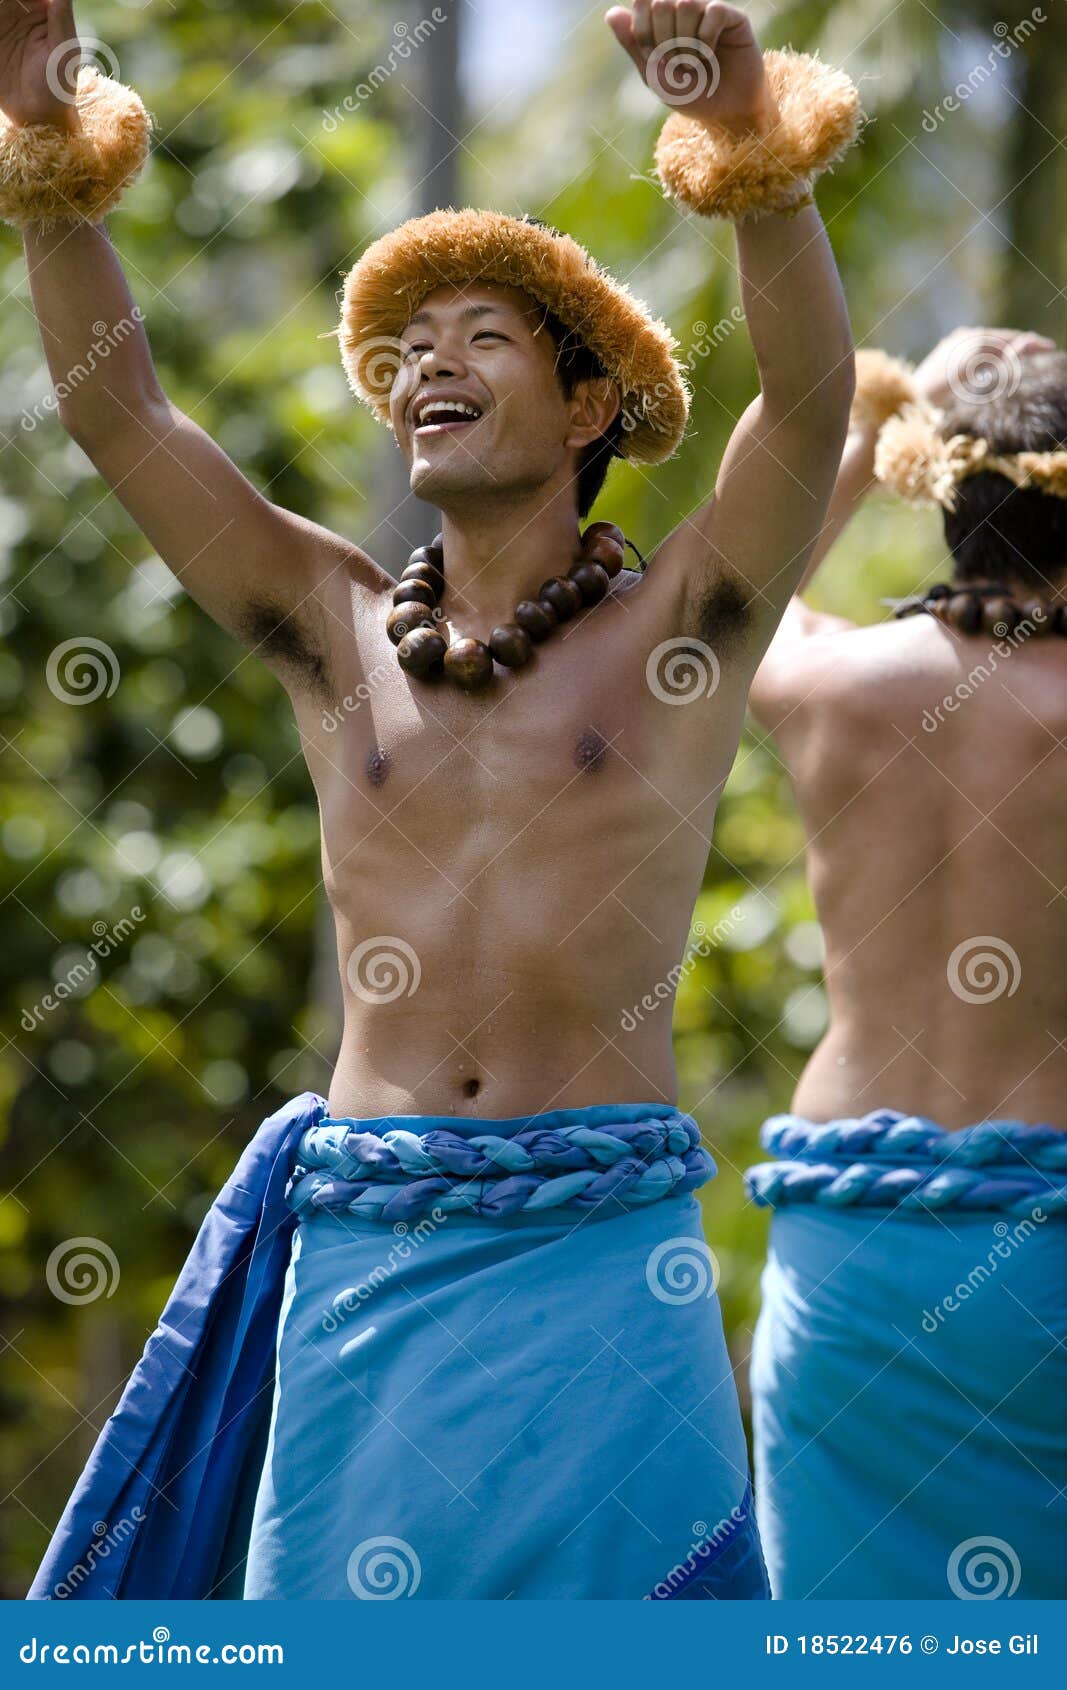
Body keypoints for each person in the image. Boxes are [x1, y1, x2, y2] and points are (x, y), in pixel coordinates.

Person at [4, 2, 859, 1598]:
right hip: (368, 1261)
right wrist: (46, 129)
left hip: (602, 1262)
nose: (426, 365)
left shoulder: (679, 632)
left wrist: (749, 133)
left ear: (588, 407)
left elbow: (803, 408)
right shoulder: (333, 632)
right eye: (409, 348)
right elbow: (121, 415)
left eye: (480, 334)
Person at [745, 327, 1067, 1599]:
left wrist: (890, 405)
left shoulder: (829, 684)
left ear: (935, 483)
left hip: (850, 1259)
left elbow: (731, 600)